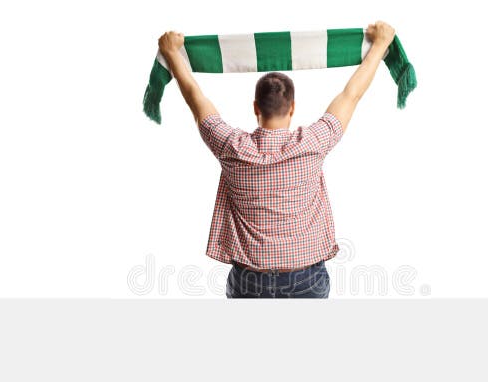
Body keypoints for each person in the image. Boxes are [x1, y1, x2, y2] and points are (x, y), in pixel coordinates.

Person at [157, 21, 396, 298]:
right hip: (306, 278)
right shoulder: (313, 142)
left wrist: (173, 53)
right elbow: (351, 95)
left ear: (255, 107)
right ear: (292, 107)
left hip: (249, 281)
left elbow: (194, 98)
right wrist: (380, 44)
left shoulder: (231, 146)